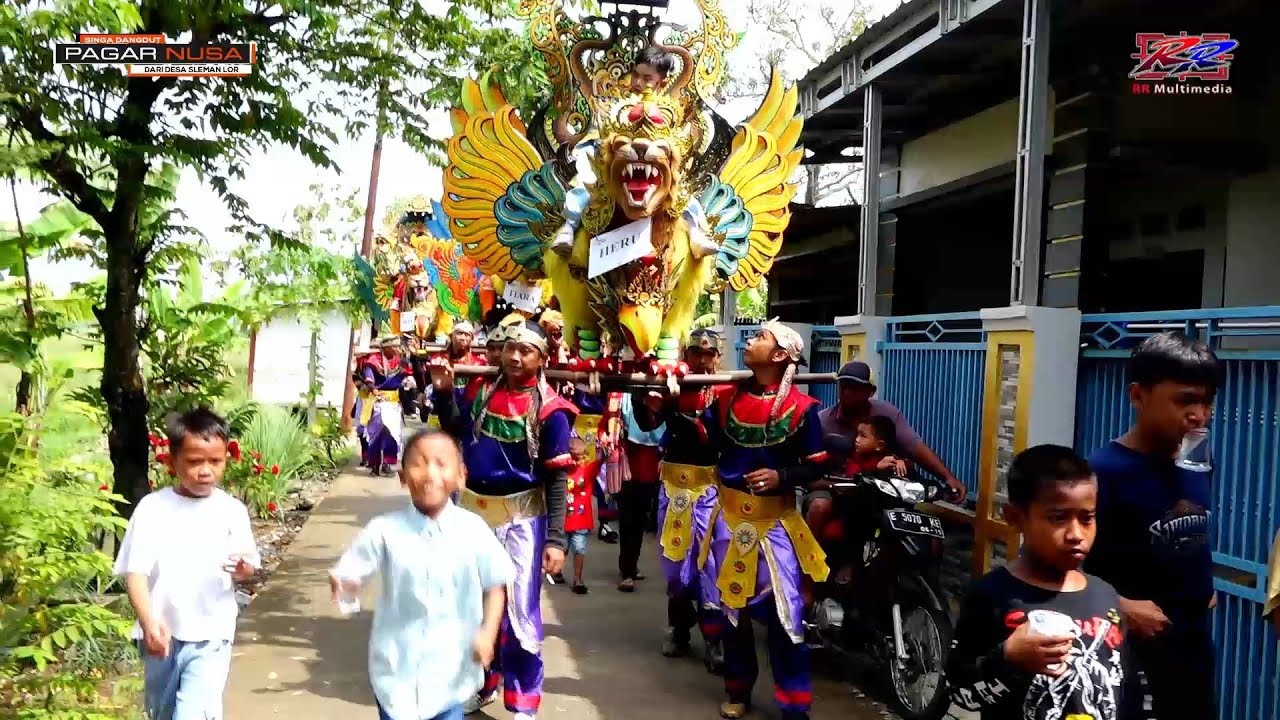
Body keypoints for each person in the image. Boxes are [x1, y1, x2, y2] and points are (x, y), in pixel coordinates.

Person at [643, 320, 829, 720]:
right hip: (728, 521)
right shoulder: (726, 401)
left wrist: (783, 477)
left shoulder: (803, 410)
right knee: (734, 611)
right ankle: (738, 689)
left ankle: (795, 703)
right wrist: (667, 404)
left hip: (776, 525)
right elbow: (699, 439)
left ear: (780, 356)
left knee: (786, 616)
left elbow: (817, 468)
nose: (751, 339)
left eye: (761, 337)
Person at [429, 320, 577, 720]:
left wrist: (556, 540)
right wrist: (444, 392)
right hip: (473, 515)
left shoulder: (551, 411)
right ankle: (481, 682)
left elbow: (557, 479)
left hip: (521, 521)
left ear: (542, 359)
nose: (513, 356)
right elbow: (454, 429)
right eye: (510, 347)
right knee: (472, 607)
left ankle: (524, 702)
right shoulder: (480, 391)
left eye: (525, 350)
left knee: (518, 612)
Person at [1083, 331, 1221, 720]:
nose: (1199, 414)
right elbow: (1052, 567)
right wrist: (1121, 605)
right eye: (1186, 400)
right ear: (1138, 396)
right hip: (1126, 656)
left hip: (1192, 652)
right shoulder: (1103, 473)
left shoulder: (1197, 465)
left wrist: (1202, 585)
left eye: (1208, 401)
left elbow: (1188, 530)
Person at [329, 430, 511, 720]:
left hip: (450, 672)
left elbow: (495, 584)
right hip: (395, 671)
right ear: (402, 477)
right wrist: (345, 584)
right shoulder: (384, 530)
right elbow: (351, 571)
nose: (429, 474)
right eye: (419, 463)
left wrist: (487, 634)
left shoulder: (473, 530)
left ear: (462, 475)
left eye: (441, 463)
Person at [948, 444, 1126, 719]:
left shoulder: (1106, 598)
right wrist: (1008, 658)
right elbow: (960, 693)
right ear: (1015, 518)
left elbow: (1122, 689)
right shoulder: (992, 595)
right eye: (1058, 518)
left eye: (1086, 518)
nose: (1076, 534)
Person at [114, 408, 260, 720]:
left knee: (195, 713)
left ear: (226, 460)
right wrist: (148, 622)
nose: (205, 471)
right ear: (171, 462)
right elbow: (136, 574)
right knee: (162, 713)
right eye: (194, 461)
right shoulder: (153, 509)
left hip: (212, 634)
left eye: (215, 461)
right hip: (161, 636)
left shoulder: (231, 511)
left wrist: (243, 570)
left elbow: (248, 567)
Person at [549, 47, 715, 259]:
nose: (638, 82)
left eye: (647, 78)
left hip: (653, 167)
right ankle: (569, 227)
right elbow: (603, 137)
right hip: (615, 162)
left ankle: (696, 234)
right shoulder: (617, 106)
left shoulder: (668, 111)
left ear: (661, 83)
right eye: (636, 74)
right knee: (586, 183)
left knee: (683, 194)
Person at [804, 360, 966, 542]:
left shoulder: (886, 414)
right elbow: (809, 468)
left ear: (870, 391)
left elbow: (914, 446)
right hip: (834, 486)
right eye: (843, 385)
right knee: (820, 506)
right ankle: (809, 565)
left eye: (855, 387)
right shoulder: (823, 421)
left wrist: (947, 478)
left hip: (879, 489)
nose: (847, 392)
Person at [647, 328, 730, 669]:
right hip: (674, 489)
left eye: (709, 355)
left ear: (718, 358)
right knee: (675, 565)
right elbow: (646, 419)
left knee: (711, 567)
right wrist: (650, 398)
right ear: (686, 354)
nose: (703, 360)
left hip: (711, 490)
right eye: (696, 353)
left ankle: (714, 640)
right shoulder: (672, 386)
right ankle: (679, 630)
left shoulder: (727, 390)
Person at [616, 389, 665, 592]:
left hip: (650, 474)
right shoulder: (627, 400)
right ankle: (626, 571)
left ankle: (631, 565)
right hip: (628, 472)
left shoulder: (665, 406)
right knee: (628, 522)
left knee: (639, 523)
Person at [363, 336, 414, 476]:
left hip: (393, 403)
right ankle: (374, 465)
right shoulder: (373, 362)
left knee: (391, 435)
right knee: (376, 434)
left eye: (399, 346)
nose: (398, 349)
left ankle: (386, 464)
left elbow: (410, 374)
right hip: (378, 402)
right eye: (395, 346)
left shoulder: (400, 362)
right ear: (386, 348)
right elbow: (368, 378)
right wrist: (374, 390)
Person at [562, 435, 605, 594]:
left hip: (580, 521)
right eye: (574, 458)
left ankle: (577, 579)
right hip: (562, 521)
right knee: (562, 549)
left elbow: (600, 461)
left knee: (579, 549)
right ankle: (557, 572)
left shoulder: (587, 470)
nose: (577, 462)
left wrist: (606, 447)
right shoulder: (560, 473)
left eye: (581, 458)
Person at [843, 415, 910, 477]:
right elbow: (855, 476)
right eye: (857, 434)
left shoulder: (890, 458)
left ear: (879, 445)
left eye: (863, 436)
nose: (857, 439)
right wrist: (876, 468)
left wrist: (901, 463)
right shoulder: (855, 459)